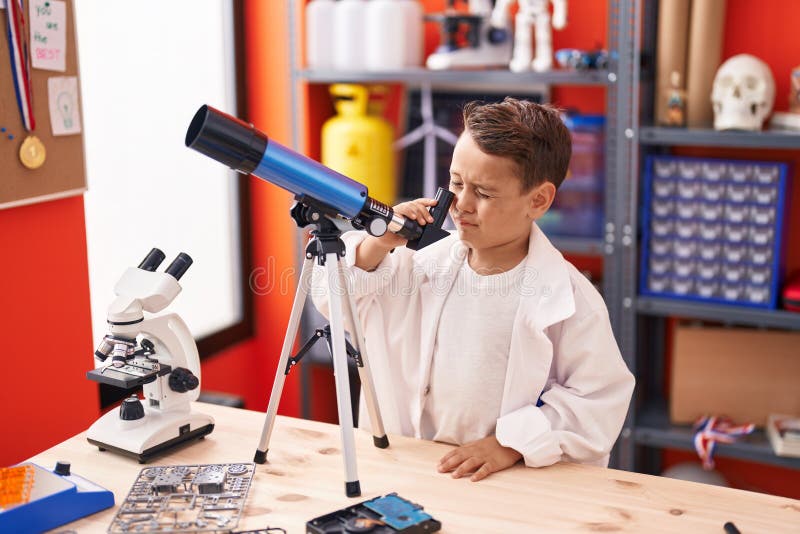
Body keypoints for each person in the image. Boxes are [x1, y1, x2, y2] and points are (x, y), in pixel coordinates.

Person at [311, 97, 635, 482]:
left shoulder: (570, 300)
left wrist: (511, 444)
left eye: (483, 193)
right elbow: (334, 299)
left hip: (498, 482)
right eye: (456, 183)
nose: (461, 205)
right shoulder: (412, 262)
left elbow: (597, 401)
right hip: (402, 467)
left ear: (538, 200)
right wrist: (377, 244)